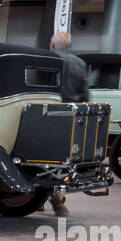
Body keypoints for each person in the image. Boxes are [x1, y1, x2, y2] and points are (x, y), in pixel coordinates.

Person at [48, 31, 90, 217]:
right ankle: (58, 201)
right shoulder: (80, 64)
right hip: (70, 119)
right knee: (62, 162)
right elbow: (86, 95)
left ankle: (40, 199)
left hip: (46, 116)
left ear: (52, 45)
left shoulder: (46, 59)